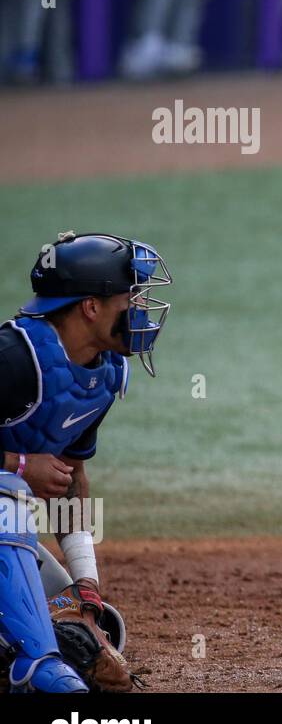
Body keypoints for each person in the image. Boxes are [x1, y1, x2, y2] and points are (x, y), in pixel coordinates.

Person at [0, 232, 172, 691]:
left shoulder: (103, 372)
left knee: (89, 626)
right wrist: (18, 465)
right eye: (129, 297)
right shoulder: (15, 358)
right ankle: (34, 669)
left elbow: (70, 478)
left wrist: (86, 588)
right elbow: (26, 474)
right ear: (90, 307)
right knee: (9, 493)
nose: (139, 309)